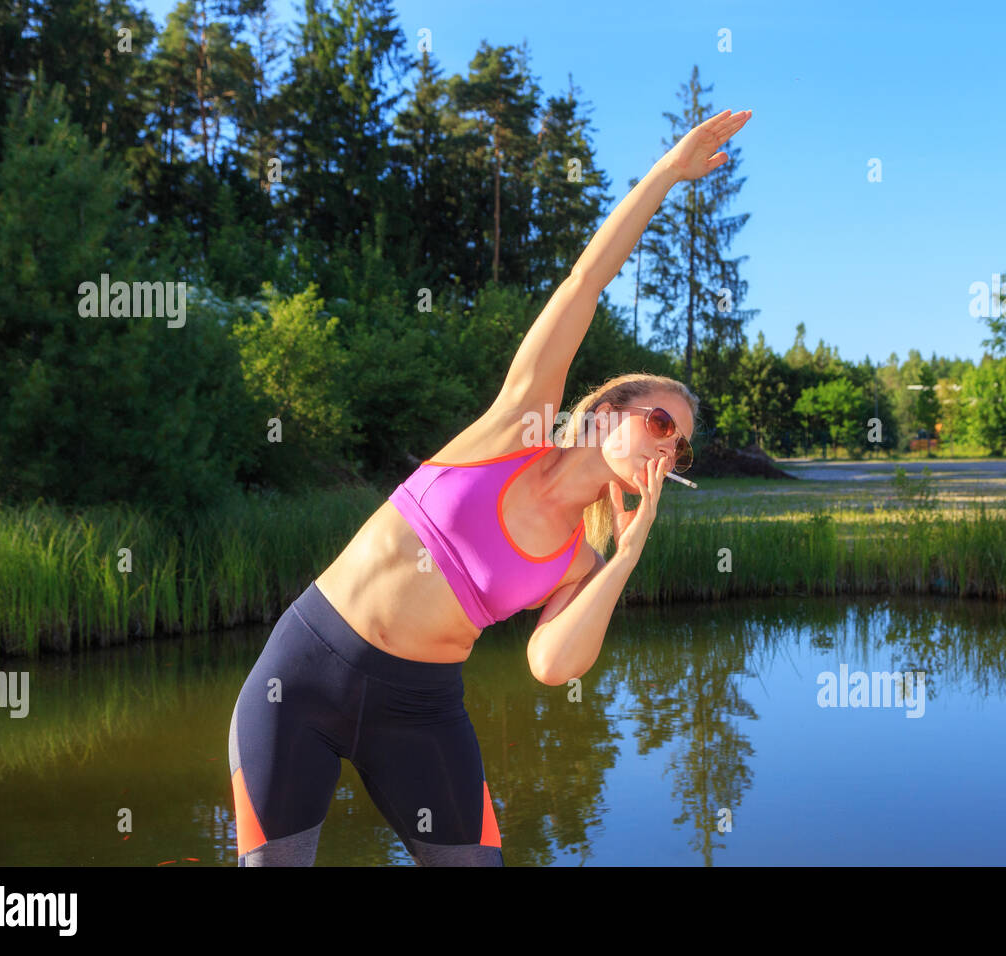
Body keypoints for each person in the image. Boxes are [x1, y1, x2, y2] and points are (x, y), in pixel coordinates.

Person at [228, 107, 752, 866]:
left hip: (421, 712)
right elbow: (587, 279)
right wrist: (669, 175)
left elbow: (550, 668)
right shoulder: (519, 425)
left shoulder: (577, 562)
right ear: (609, 412)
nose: (669, 450)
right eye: (662, 425)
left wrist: (627, 556)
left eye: (683, 448)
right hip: (304, 676)